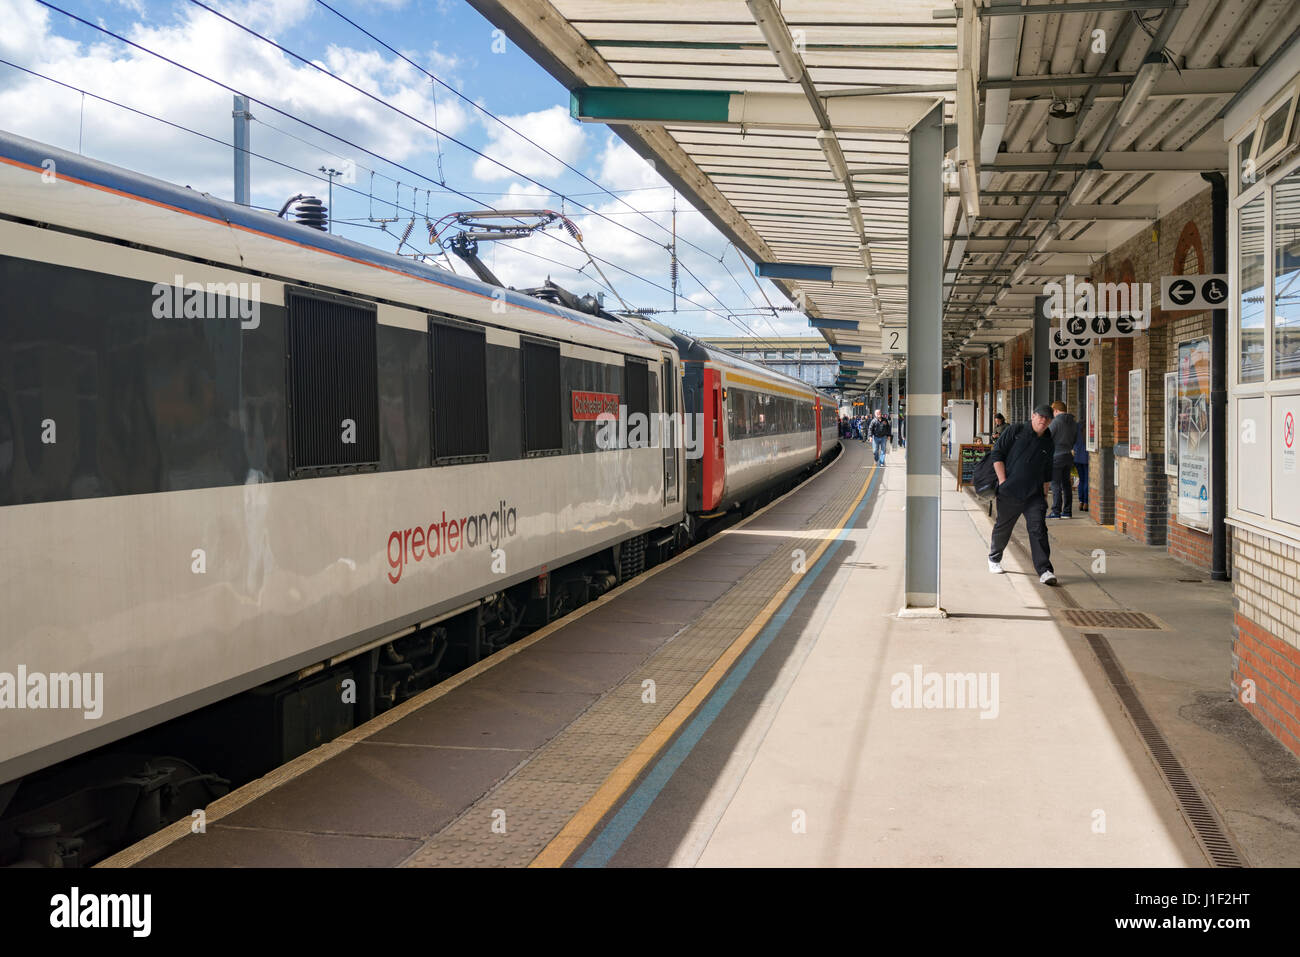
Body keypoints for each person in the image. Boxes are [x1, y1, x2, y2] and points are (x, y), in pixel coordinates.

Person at [988, 403, 1057, 585]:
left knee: (1038, 529)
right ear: (1033, 416)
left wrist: (1044, 494)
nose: (1043, 420)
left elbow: (1048, 470)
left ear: (1051, 421)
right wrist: (1003, 482)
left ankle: (1045, 570)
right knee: (1004, 526)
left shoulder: (1049, 441)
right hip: (1010, 490)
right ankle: (994, 558)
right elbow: (997, 454)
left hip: (1034, 494)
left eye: (1047, 418)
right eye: (1040, 416)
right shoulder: (1016, 430)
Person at [1047, 399, 1078, 518]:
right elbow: (1075, 439)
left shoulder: (1055, 423)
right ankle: (1067, 511)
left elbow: (1048, 438)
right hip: (1068, 456)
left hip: (1056, 456)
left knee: (1055, 484)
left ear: (1055, 410)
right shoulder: (1073, 422)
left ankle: (1056, 511)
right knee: (1066, 484)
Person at [1073, 425, 1089, 512]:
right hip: (1087, 458)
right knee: (1087, 480)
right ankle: (1086, 502)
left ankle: (1081, 501)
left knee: (1081, 480)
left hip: (1077, 457)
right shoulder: (1089, 427)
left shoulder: (1076, 427)